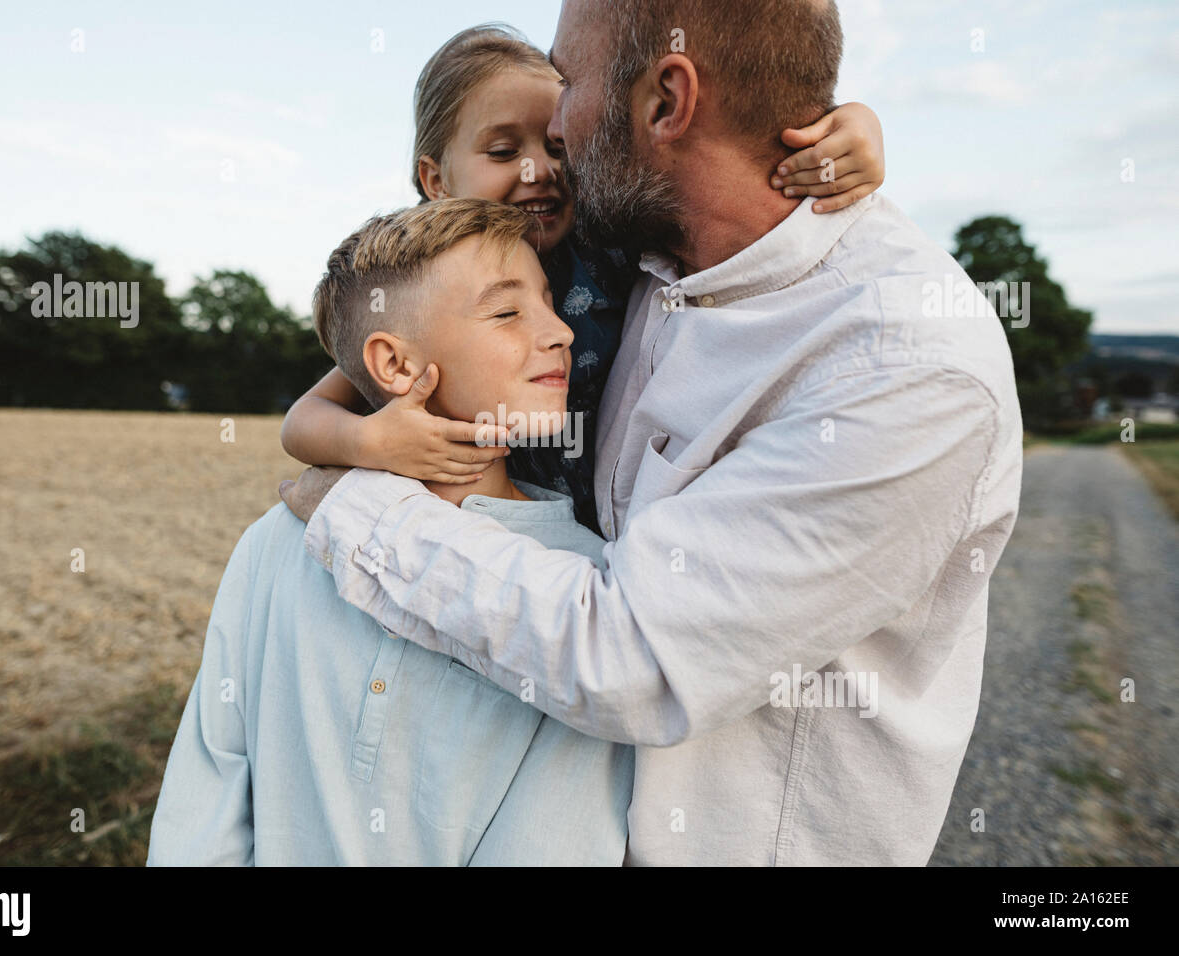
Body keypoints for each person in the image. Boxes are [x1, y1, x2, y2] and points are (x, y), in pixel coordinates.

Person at [281, 0, 1025, 866]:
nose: (557, 136)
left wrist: (357, 510)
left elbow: (630, 658)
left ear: (667, 102)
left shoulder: (908, 370)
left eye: (568, 85)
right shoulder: (646, 251)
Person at [148, 199, 633, 865]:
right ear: (396, 365)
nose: (560, 332)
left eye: (550, 303)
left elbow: (554, 844)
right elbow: (202, 804)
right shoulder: (279, 541)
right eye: (506, 312)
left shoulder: (591, 592)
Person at [279, 23, 887, 536]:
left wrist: (857, 124)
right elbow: (306, 418)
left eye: (556, 147)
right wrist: (370, 443)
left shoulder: (608, 241)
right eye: (502, 152)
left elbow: (726, 173)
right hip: (487, 530)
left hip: (607, 538)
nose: (539, 170)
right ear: (435, 180)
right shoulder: (429, 294)